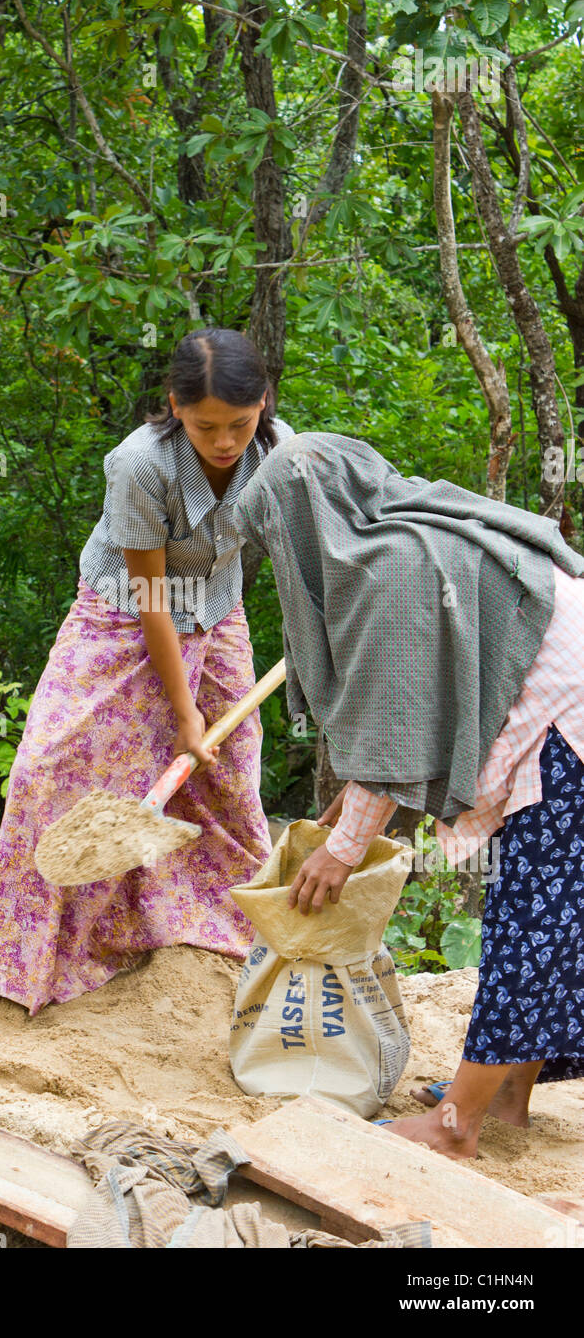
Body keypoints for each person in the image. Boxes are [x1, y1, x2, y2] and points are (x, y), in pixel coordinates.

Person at [233, 430, 584, 1159]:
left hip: (567, 716)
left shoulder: (389, 566)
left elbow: (396, 723)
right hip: (562, 700)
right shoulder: (415, 529)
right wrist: (350, 810)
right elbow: (417, 710)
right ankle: (510, 1093)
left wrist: (343, 848)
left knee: (533, 920)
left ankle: (457, 1125)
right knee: (548, 914)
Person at [0, 328, 294, 1015]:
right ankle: (4, 966)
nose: (225, 442)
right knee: (48, 773)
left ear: (265, 406)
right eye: (206, 426)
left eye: (240, 425)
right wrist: (185, 713)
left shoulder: (282, 450)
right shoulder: (139, 466)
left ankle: (225, 934)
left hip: (219, 613)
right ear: (174, 407)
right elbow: (153, 601)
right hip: (125, 620)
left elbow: (311, 548)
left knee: (228, 783)